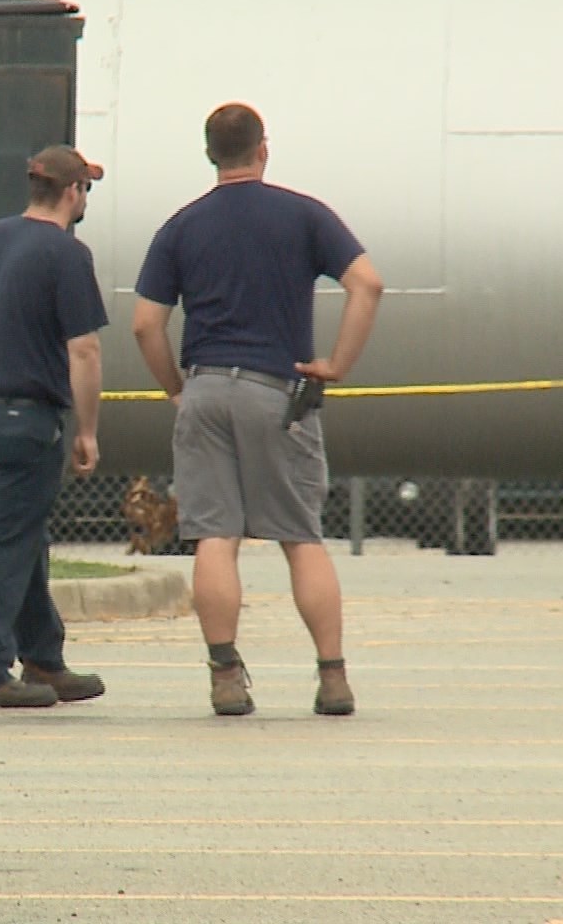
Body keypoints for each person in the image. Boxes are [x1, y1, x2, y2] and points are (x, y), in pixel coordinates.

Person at [131, 103, 383, 717]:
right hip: (277, 391)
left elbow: (145, 324)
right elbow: (367, 285)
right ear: (262, 149)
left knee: (215, 536)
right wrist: (336, 364)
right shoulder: (304, 215)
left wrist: (176, 388)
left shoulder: (181, 227)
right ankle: (332, 678)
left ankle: (225, 676)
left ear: (210, 155)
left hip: (206, 387)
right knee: (300, 536)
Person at [0, 145, 109, 709]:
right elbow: (84, 350)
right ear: (72, 192)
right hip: (27, 418)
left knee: (24, 536)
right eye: (86, 188)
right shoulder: (67, 254)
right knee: (8, 541)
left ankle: (43, 656)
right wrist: (86, 430)